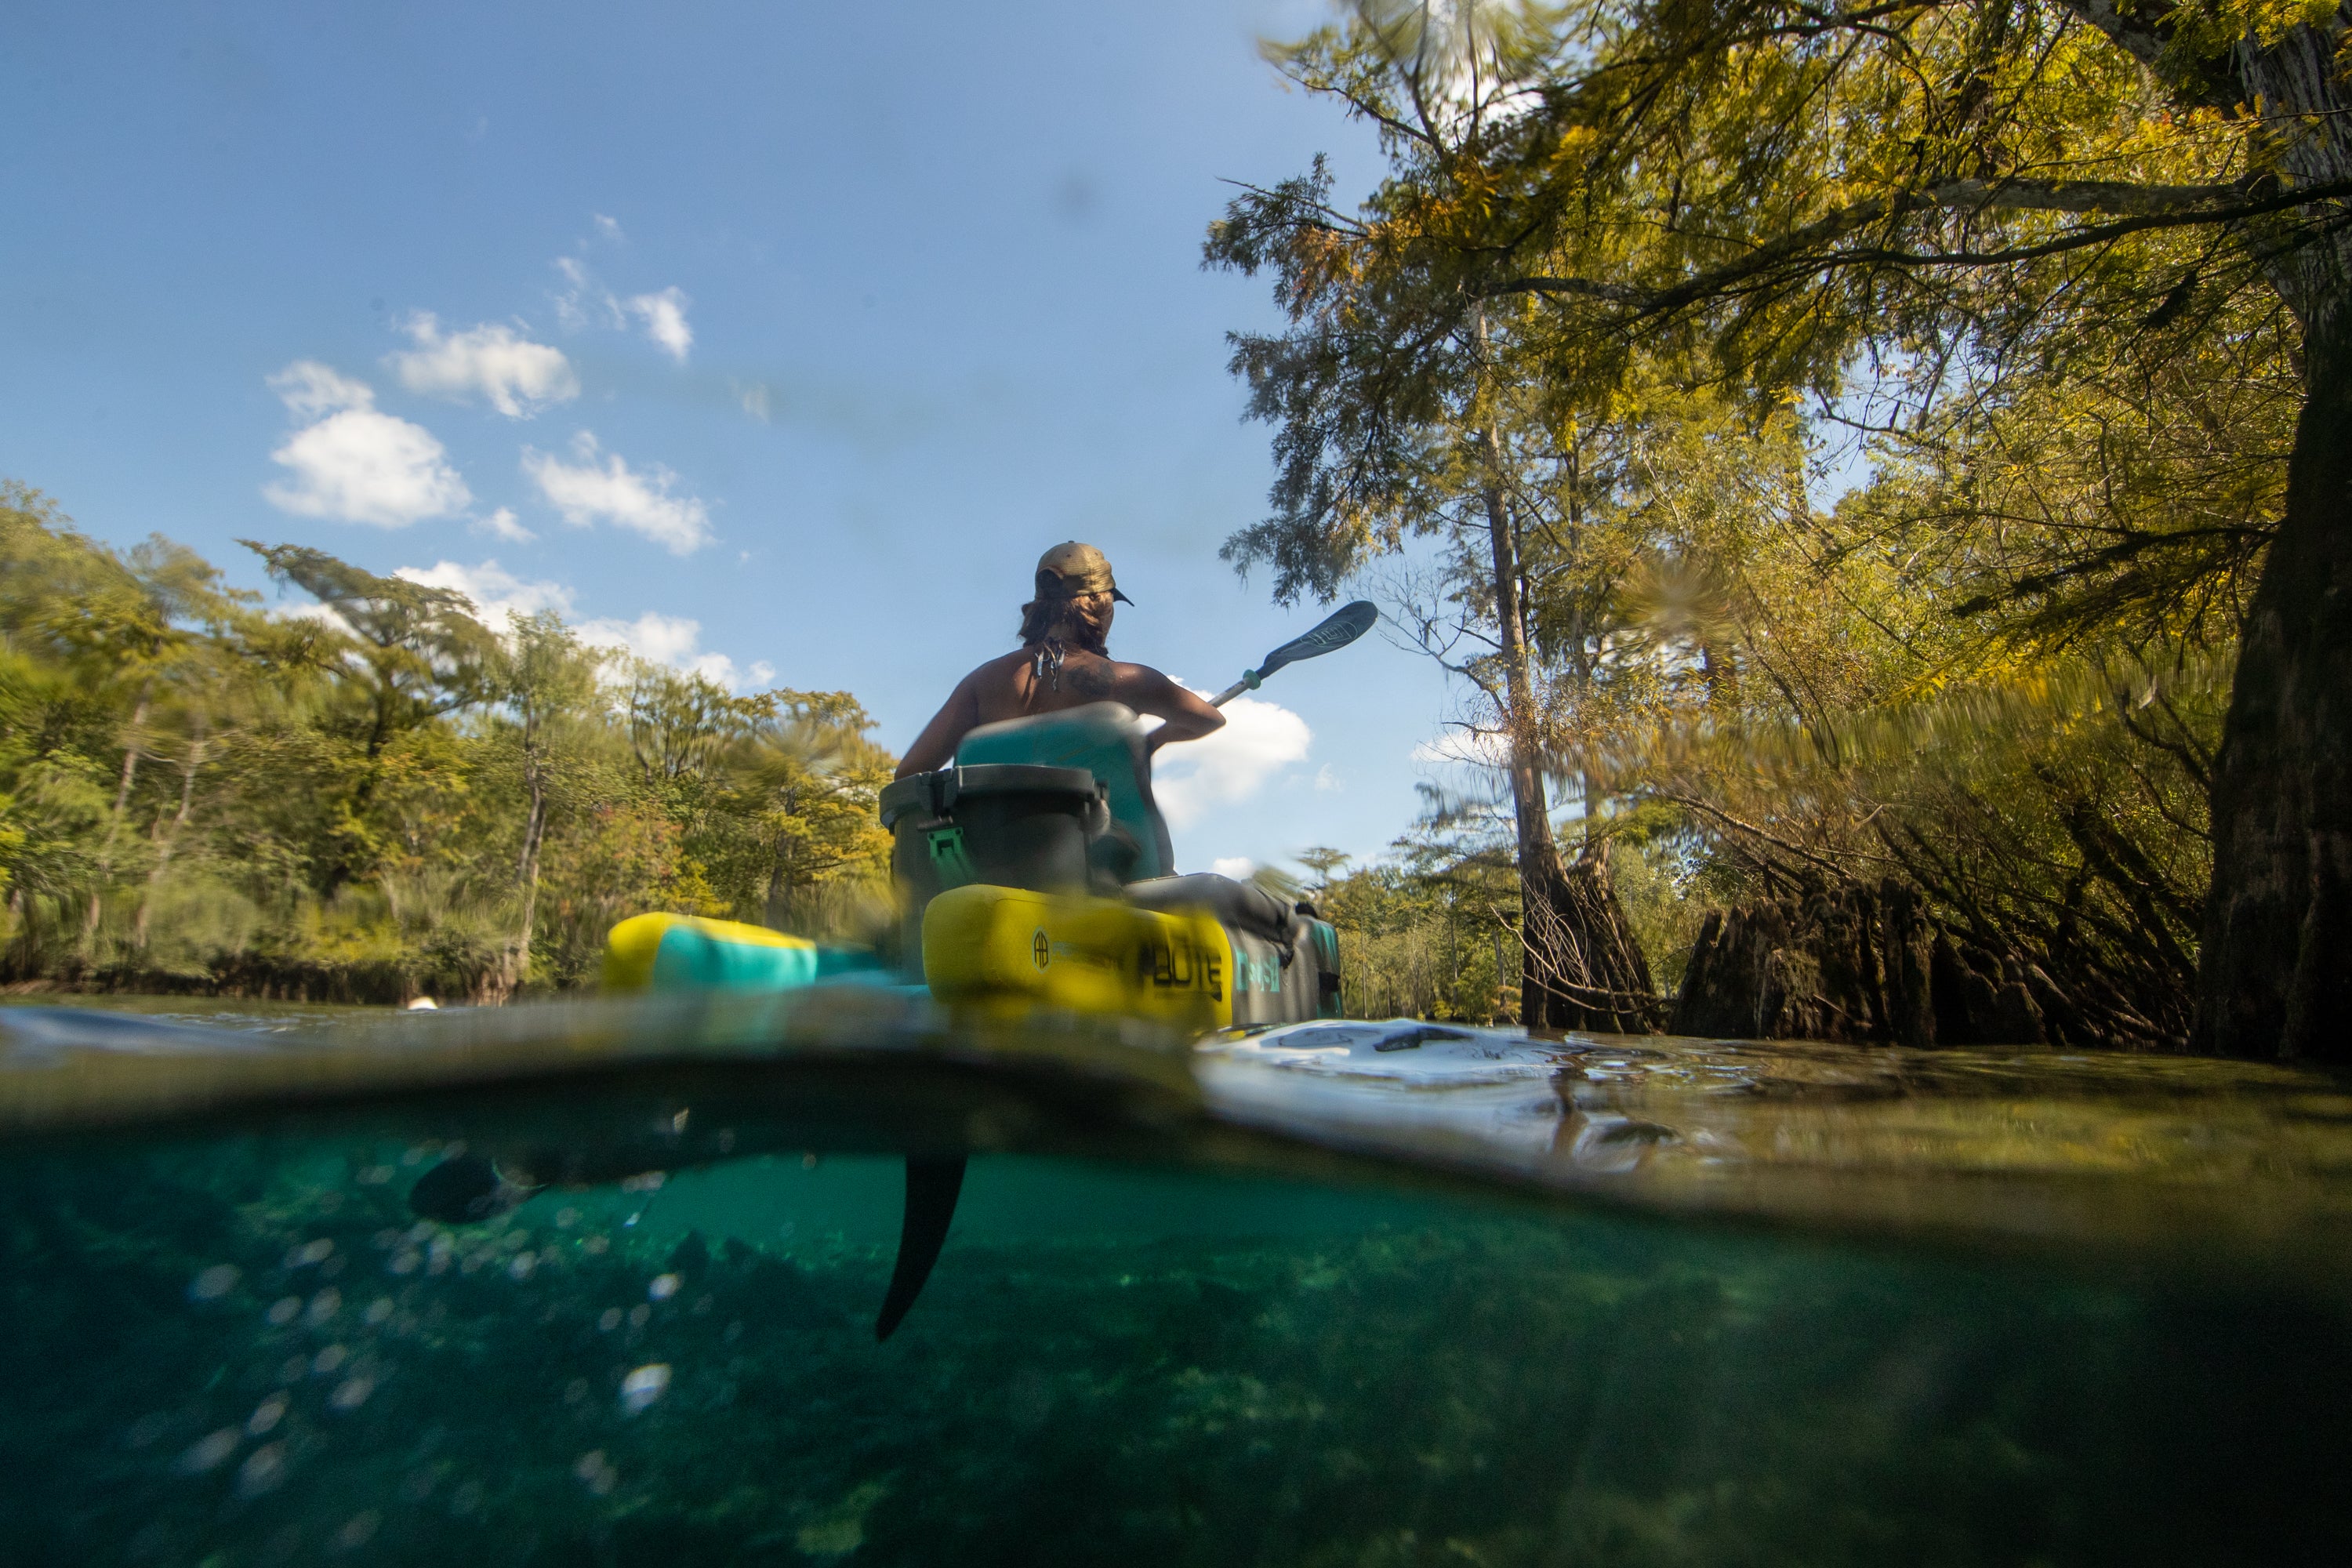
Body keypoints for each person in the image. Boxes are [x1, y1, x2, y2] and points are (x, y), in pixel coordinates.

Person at [895, 542, 1225, 779]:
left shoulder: (982, 682)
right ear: (1102, 605)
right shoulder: (1133, 681)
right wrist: (1152, 742)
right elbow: (1208, 720)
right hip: (1100, 862)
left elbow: (909, 772)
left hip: (996, 860)